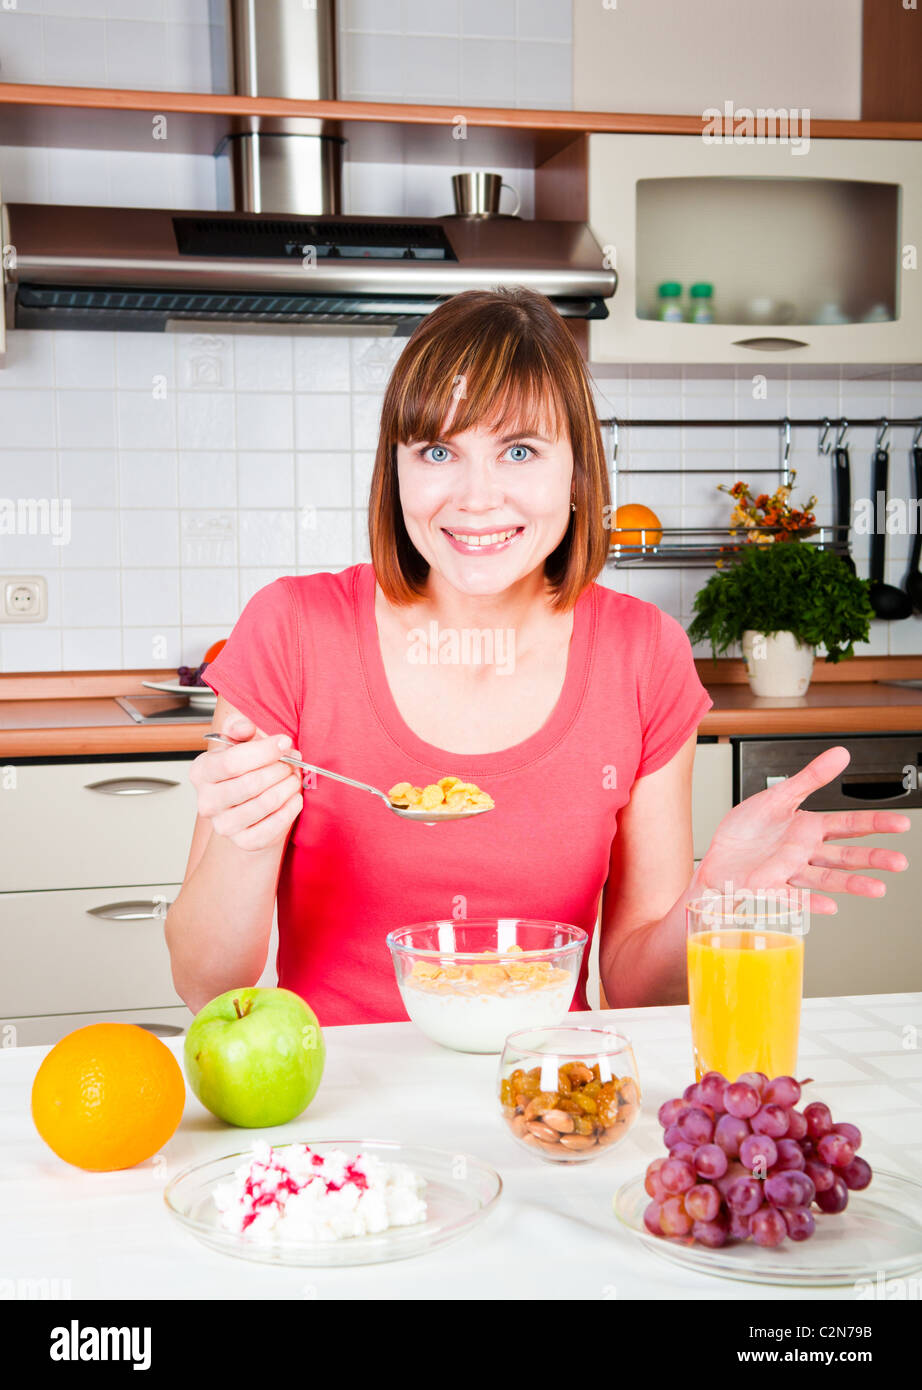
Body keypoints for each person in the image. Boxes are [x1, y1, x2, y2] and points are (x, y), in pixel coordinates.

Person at [164, 288, 909, 1026]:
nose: (476, 498)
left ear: (578, 473)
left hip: (553, 1102)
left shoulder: (642, 653)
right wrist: (245, 837)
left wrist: (709, 906)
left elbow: (635, 991)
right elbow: (206, 986)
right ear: (396, 470)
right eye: (437, 451)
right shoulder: (293, 631)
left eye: (519, 451)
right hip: (340, 1105)